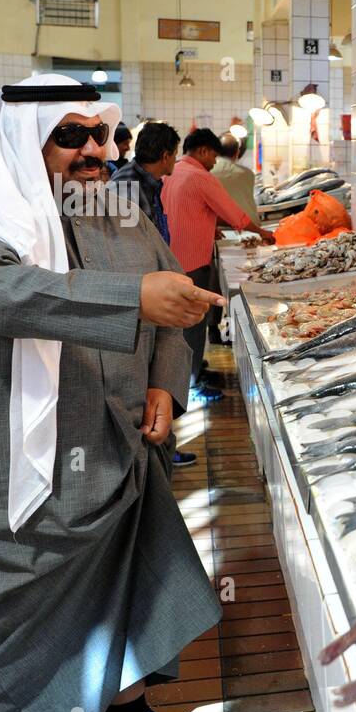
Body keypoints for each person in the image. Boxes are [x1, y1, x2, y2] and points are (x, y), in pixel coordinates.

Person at [0, 73, 225, 712]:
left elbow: (173, 302)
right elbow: (9, 293)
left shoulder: (120, 209)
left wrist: (164, 386)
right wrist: (133, 301)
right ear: (27, 140)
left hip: (117, 458)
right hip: (19, 488)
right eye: (72, 136)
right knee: (3, 626)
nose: (95, 151)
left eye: (103, 134)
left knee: (121, 607)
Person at [162, 127, 274, 401]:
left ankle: (191, 370)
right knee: (193, 322)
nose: (215, 162)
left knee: (178, 324)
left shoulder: (173, 172)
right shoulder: (201, 176)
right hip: (192, 261)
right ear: (202, 151)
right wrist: (262, 233)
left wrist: (208, 225)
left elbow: (184, 210)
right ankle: (192, 385)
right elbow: (235, 214)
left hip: (169, 258)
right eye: (212, 156)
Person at [111, 123, 199, 469]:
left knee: (157, 375)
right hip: (138, 298)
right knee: (143, 380)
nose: (175, 160)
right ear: (165, 155)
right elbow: (125, 249)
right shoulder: (128, 187)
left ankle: (160, 451)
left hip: (148, 292)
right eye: (174, 154)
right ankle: (148, 455)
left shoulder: (145, 182)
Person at [212, 132, 259, 222]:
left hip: (220, 226)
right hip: (250, 225)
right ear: (237, 153)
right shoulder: (248, 174)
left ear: (215, 151)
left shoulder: (206, 172)